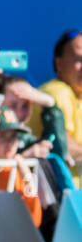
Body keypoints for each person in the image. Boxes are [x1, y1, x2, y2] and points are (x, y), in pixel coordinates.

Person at [28, 30, 82, 166]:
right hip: (51, 186)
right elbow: (64, 145)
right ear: (58, 64)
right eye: (79, 59)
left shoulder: (77, 96)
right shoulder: (58, 91)